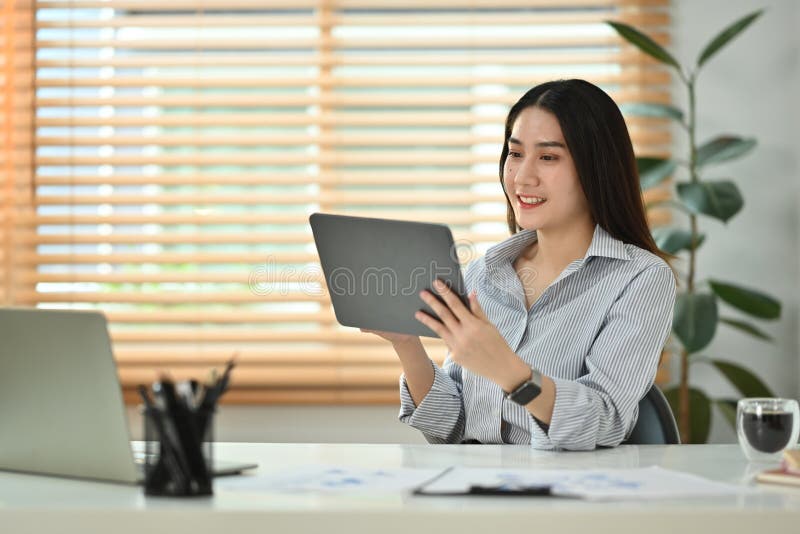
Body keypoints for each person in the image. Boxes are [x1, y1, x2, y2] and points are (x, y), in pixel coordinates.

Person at [361, 79, 676, 450]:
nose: (522, 177)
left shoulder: (641, 279)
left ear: (596, 167)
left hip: (569, 484)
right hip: (478, 480)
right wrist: (407, 345)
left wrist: (510, 372)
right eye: (515, 154)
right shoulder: (484, 273)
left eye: (548, 157)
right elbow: (451, 427)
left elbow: (602, 421)